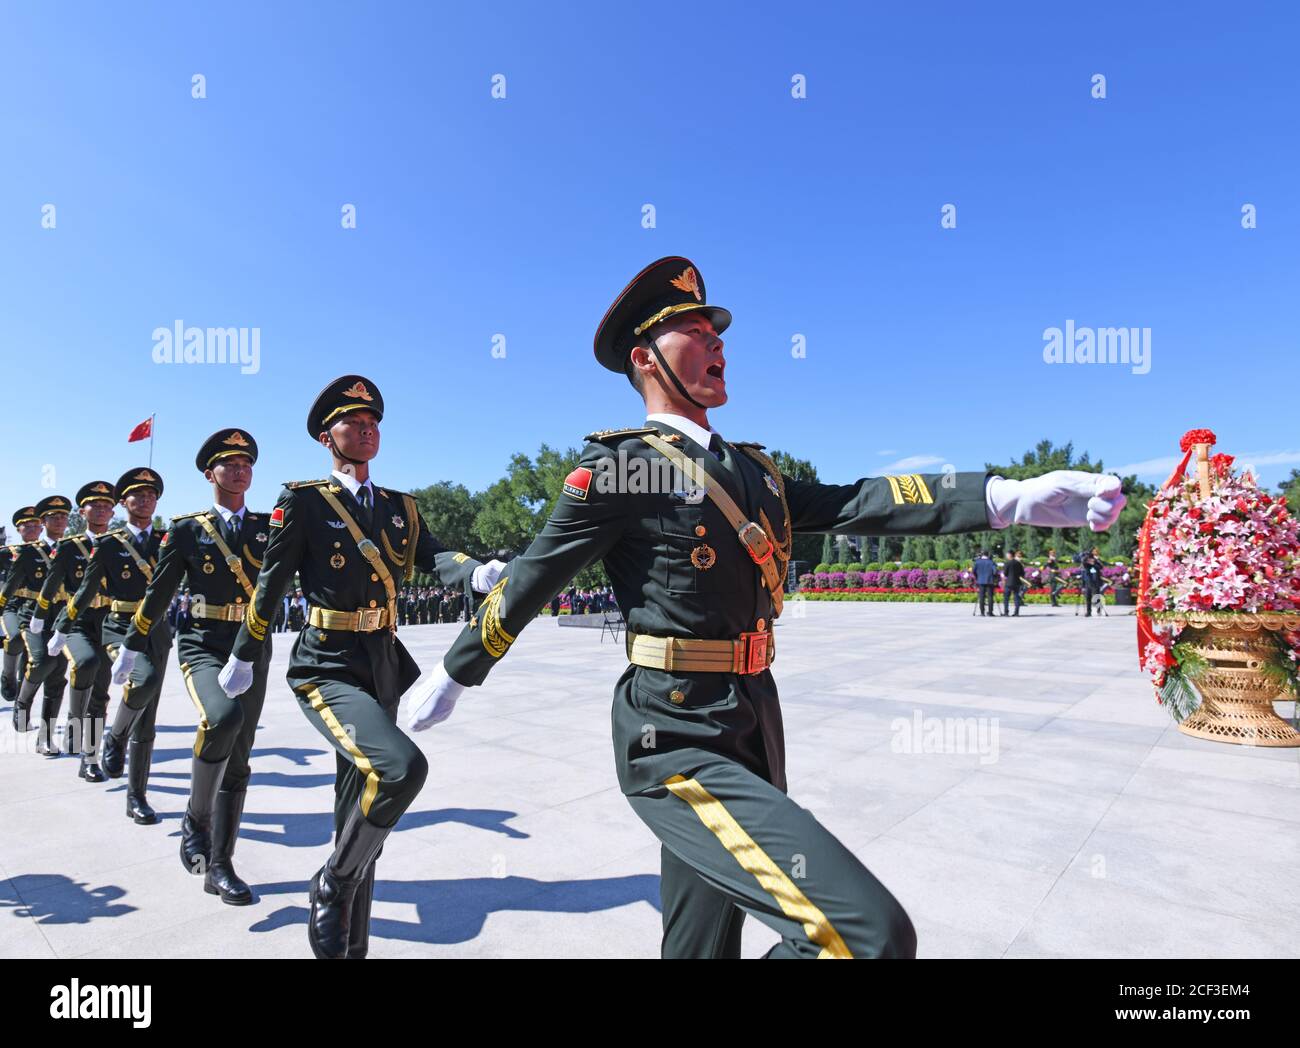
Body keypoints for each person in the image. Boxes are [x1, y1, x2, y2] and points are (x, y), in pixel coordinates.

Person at [408, 256, 1126, 958]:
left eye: (717, 329)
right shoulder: (619, 467)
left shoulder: (755, 470)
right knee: (863, 935)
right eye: (695, 329)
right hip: (674, 730)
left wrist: (1006, 497)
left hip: (755, 713)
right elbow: (532, 576)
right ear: (646, 357)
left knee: (697, 943)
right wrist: (455, 671)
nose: (718, 340)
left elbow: (859, 501)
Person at [216, 375, 505, 959]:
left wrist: (474, 572)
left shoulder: (401, 507)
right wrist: (245, 653)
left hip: (381, 663)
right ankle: (334, 882)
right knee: (399, 769)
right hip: (326, 664)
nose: (368, 428)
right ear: (328, 436)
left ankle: (353, 944)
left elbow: (434, 556)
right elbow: (270, 585)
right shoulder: (303, 502)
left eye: (374, 420)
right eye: (354, 421)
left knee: (359, 803)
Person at [114, 429, 271, 903]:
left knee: (239, 757)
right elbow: (159, 592)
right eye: (230, 462)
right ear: (210, 473)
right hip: (203, 641)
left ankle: (220, 866)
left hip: (252, 645)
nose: (241, 468)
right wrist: (133, 643)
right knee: (222, 718)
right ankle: (195, 818)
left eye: (247, 461)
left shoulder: (272, 526)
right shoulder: (187, 529)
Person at [55, 468, 169, 824]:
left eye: (152, 494)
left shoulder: (169, 540)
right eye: (138, 494)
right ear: (125, 503)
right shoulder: (109, 544)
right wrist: (61, 626)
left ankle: (136, 797)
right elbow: (86, 589)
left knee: (148, 715)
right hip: (118, 627)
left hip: (159, 633)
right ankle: (103, 746)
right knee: (117, 691)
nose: (146, 499)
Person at [32, 482, 116, 774]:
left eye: (108, 505)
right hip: (75, 621)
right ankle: (63, 729)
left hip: (109, 622)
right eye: (96, 504)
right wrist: (41, 618)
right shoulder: (70, 547)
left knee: (101, 692)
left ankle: (89, 758)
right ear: (83, 511)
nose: (103, 509)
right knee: (81, 664)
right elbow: (51, 583)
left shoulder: (121, 544)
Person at [2, 495, 73, 735]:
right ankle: (21, 704)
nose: (60, 521)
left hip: (63, 616)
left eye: (63, 516)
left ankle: (46, 733)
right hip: (30, 613)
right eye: (53, 517)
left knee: (57, 673)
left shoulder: (78, 548)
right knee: (42, 661)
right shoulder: (29, 552)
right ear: (45, 521)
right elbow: (8, 589)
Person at [1, 507, 43, 701]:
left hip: (37, 607)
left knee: (31, 658)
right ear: (19, 529)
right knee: (15, 637)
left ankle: (22, 702)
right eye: (27, 526)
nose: (32, 529)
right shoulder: (6, 553)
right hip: (12, 605)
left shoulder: (49, 553)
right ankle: (7, 675)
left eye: (36, 525)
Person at [972, 549, 998, 617]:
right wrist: (994, 577)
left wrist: (978, 576)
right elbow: (995, 572)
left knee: (981, 597)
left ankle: (982, 612)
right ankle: (990, 612)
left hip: (980, 581)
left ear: (982, 554)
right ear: (988, 554)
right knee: (990, 597)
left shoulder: (977, 562)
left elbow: (973, 571)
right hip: (990, 581)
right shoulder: (991, 562)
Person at [1001, 549, 1025, 617]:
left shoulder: (1007, 563)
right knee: (1017, 597)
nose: (1006, 556)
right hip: (1017, 582)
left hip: (1009, 583)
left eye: (1007, 554)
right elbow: (1022, 573)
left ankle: (1006, 612)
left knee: (1006, 598)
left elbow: (1005, 573)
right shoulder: (1018, 563)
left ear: (1010, 555)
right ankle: (1016, 612)